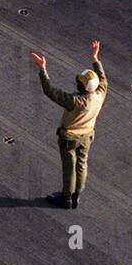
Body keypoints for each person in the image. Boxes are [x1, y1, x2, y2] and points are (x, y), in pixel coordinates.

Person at [30, 40, 107, 209]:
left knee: (69, 168)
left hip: (69, 138)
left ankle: (66, 199)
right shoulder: (100, 95)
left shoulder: (75, 101)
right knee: (82, 164)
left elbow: (50, 91)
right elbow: (103, 80)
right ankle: (76, 196)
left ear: (81, 85)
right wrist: (96, 59)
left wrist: (43, 69)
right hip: (87, 136)